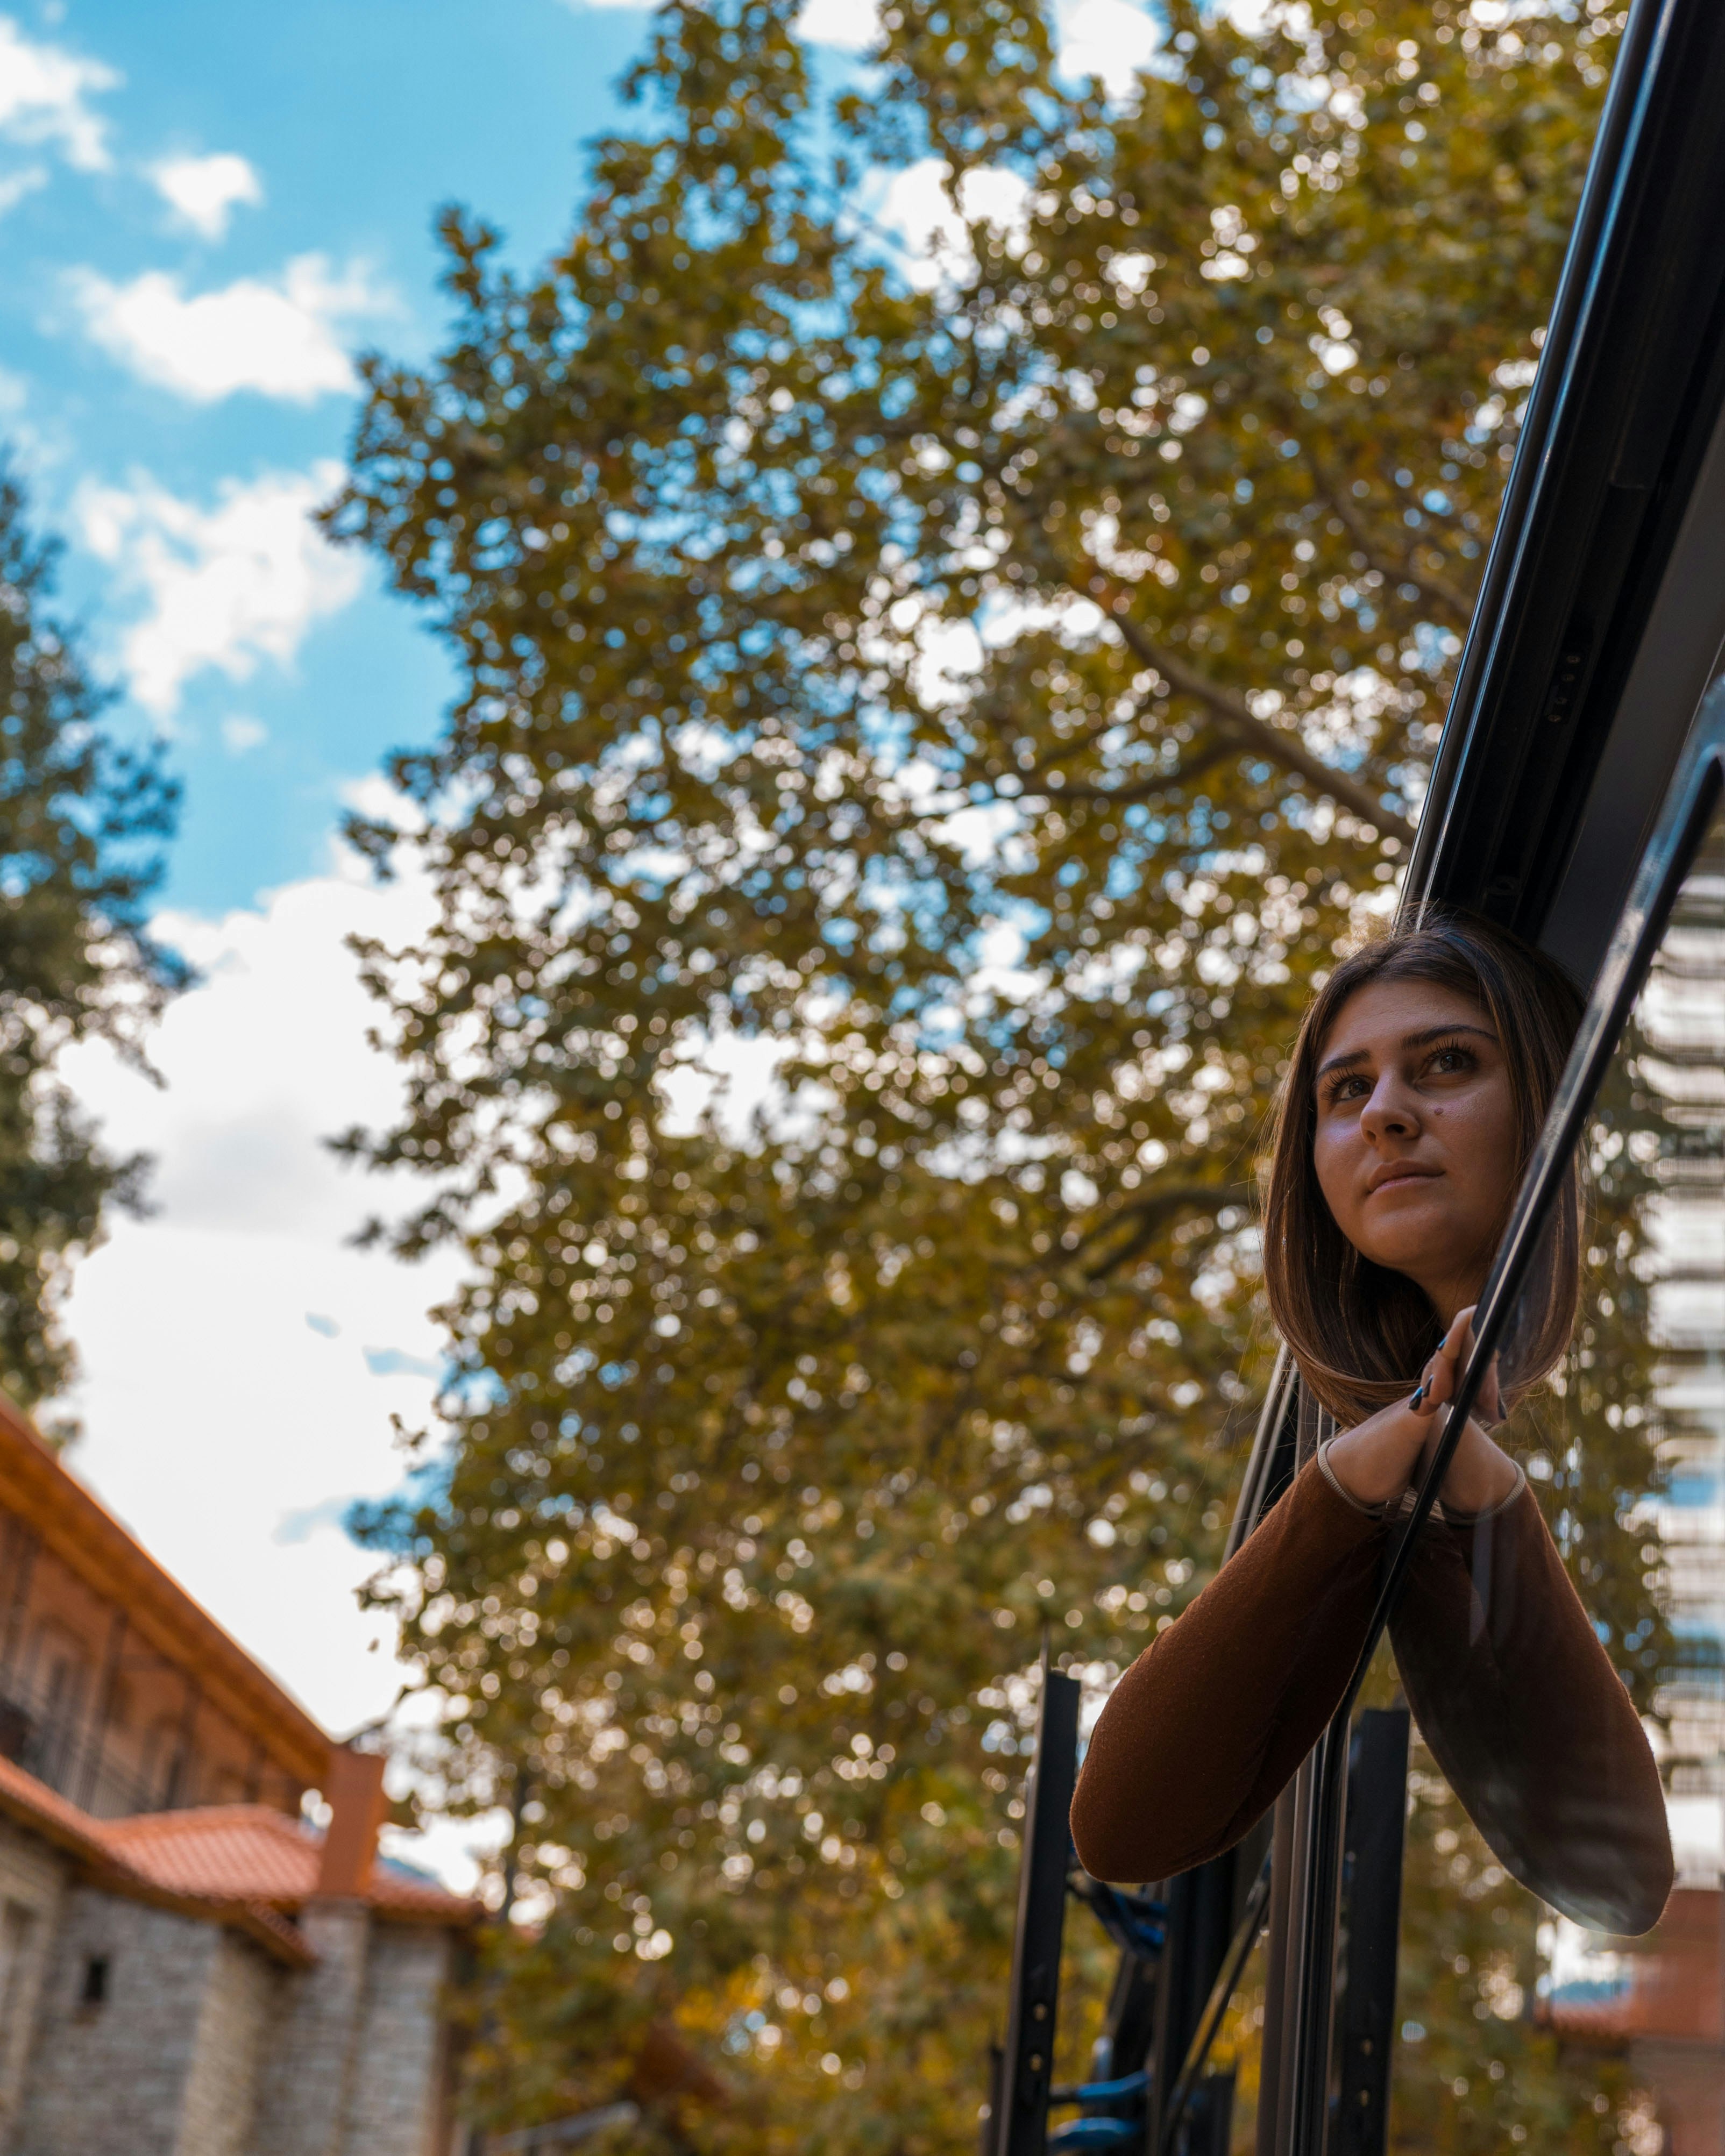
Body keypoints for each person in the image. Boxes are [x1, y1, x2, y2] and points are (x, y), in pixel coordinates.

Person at [1069, 914, 1673, 1936]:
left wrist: (1486, 1491)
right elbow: (1123, 1830)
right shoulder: (1357, 1456)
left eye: (1446, 1062)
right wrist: (1354, 1478)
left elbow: (1621, 1874)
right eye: (1346, 1089)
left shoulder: (1651, 1355)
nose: (1387, 1112)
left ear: (1551, 1103)